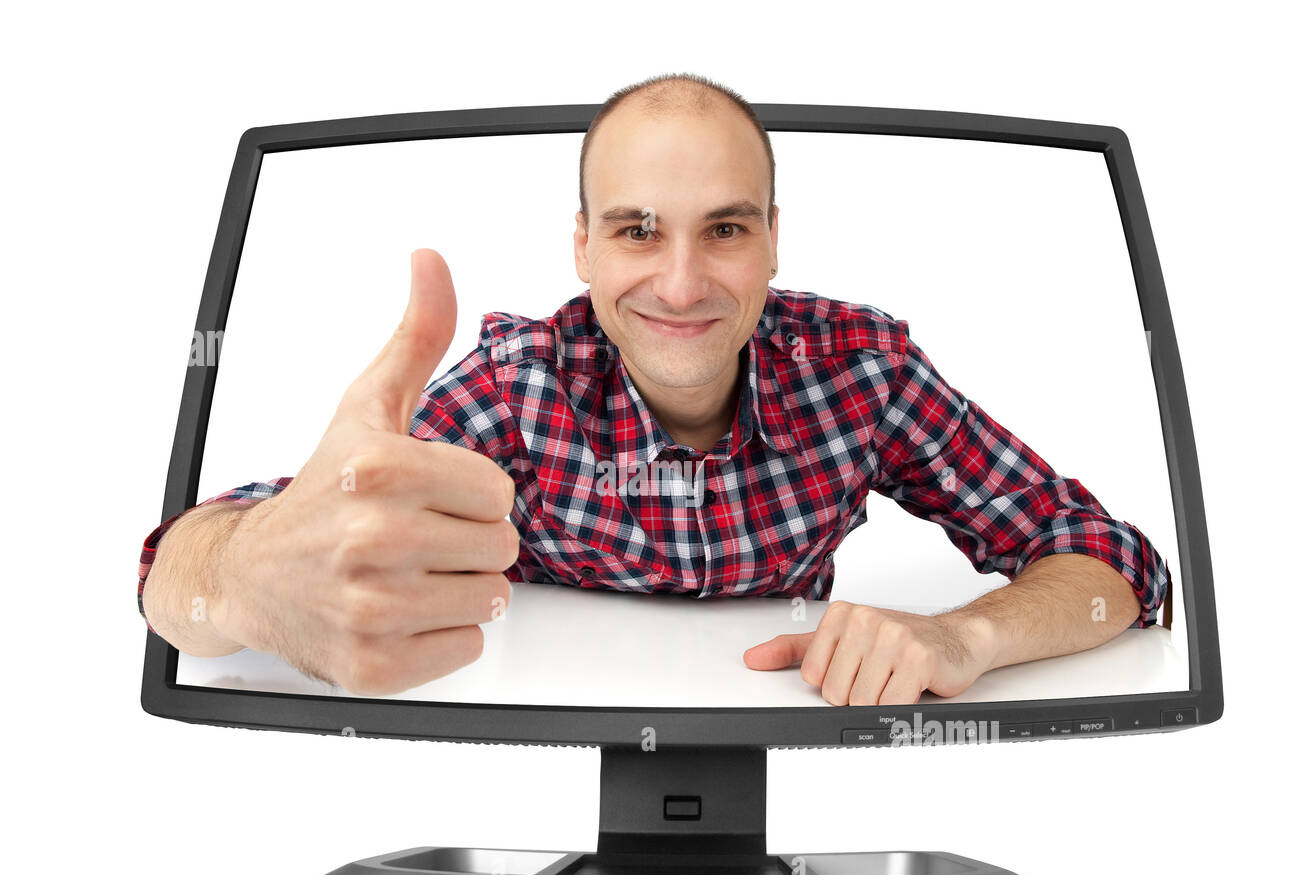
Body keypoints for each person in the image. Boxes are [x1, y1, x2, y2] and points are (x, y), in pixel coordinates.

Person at [138, 72, 1169, 706]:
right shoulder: (515, 388)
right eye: (636, 230)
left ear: (773, 240)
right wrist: (234, 577)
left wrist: (964, 635)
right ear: (581, 247)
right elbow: (183, 567)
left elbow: (1111, 568)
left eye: (724, 228)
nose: (680, 284)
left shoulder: (862, 371)